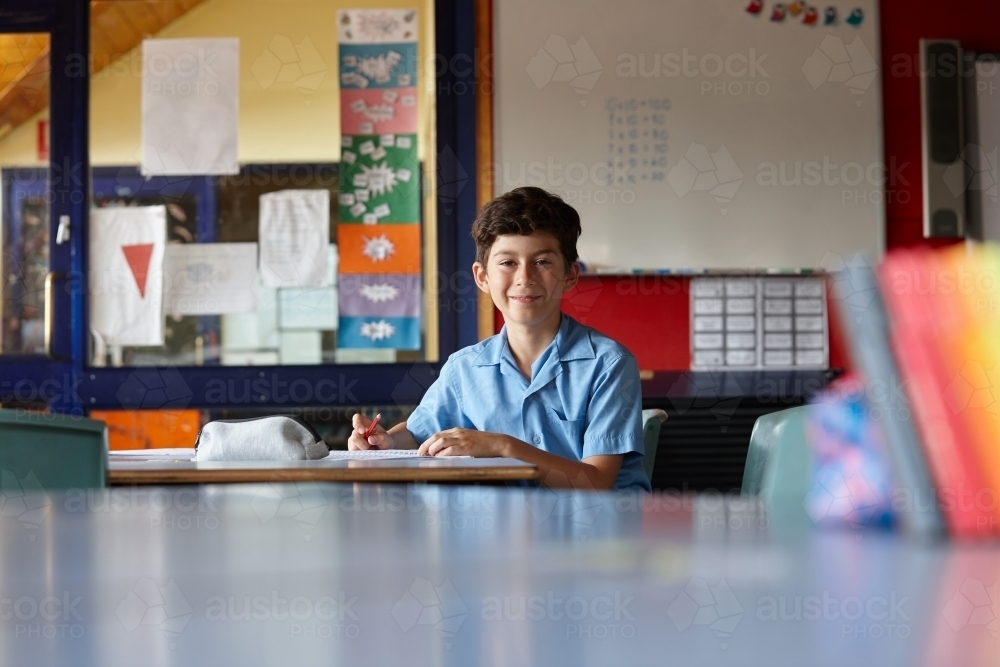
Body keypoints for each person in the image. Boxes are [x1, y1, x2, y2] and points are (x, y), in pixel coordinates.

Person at [349, 187, 649, 491]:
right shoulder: (465, 368)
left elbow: (596, 483)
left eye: (542, 262)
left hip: (593, 520)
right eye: (508, 263)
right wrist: (383, 442)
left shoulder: (608, 364)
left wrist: (503, 446)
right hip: (503, 519)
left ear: (570, 275)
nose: (524, 278)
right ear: (482, 277)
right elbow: (416, 434)